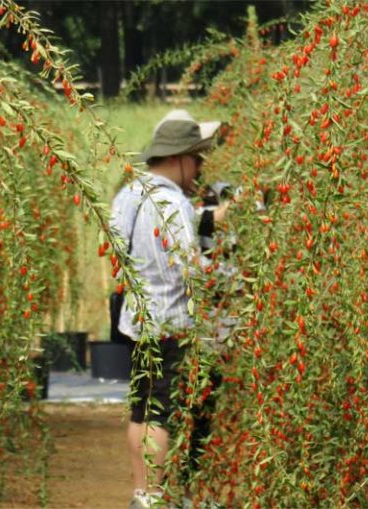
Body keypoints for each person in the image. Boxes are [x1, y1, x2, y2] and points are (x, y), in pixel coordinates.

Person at [110, 109, 229, 509]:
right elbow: (188, 270)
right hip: (171, 323)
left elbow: (117, 250)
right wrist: (230, 278)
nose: (199, 169)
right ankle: (167, 497)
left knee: (142, 407)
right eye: (196, 159)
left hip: (137, 320)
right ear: (179, 158)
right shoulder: (172, 204)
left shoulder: (129, 194)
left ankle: (145, 493)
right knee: (165, 412)